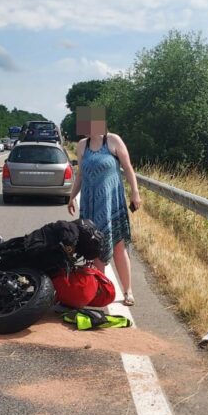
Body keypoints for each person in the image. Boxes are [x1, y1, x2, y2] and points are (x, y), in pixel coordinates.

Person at [67, 114, 141, 306]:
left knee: (118, 247)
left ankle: (128, 291)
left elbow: (128, 167)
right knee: (95, 248)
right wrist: (72, 196)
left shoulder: (113, 140)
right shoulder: (82, 145)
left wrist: (135, 192)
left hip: (111, 203)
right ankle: (100, 292)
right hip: (91, 204)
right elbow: (81, 175)